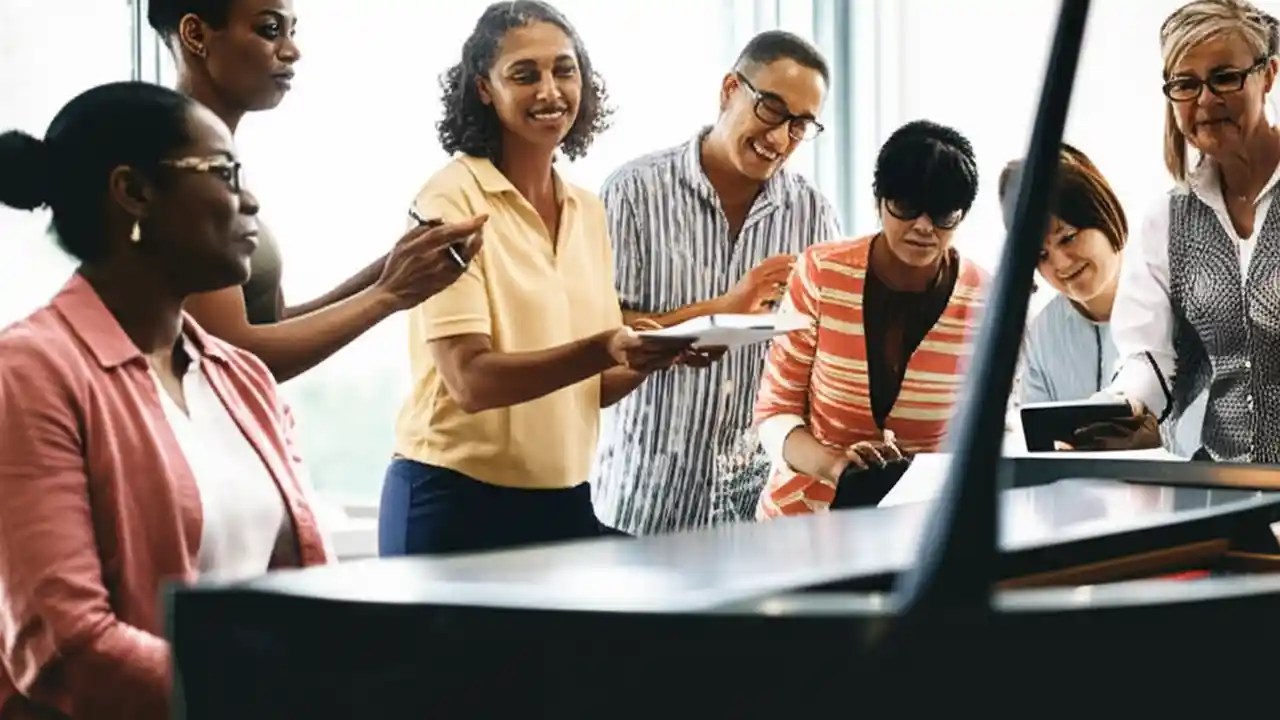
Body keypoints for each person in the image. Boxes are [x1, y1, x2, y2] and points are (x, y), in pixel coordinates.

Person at [0, 81, 354, 719]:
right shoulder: (29, 372)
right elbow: (66, 646)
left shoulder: (241, 378)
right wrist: (263, 691)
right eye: (223, 172)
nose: (250, 198)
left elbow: (305, 590)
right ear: (132, 191)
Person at [378, 0, 720, 556]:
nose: (550, 90)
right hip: (454, 505)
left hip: (563, 502)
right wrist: (606, 346)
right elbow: (470, 382)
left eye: (564, 69)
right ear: (484, 88)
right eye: (524, 74)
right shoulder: (451, 197)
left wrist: (650, 357)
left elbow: (592, 387)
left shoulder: (587, 210)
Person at [148, 0, 485, 381]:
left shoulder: (219, 162)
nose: (292, 50)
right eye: (270, 30)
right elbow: (228, 355)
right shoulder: (180, 169)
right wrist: (390, 293)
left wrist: (390, 270)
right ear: (195, 34)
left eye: (292, 31)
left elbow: (273, 324)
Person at [590, 30, 840, 535]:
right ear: (729, 90)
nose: (779, 139)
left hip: (756, 519)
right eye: (770, 109)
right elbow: (597, 351)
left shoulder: (814, 215)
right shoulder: (633, 194)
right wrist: (725, 308)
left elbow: (819, 362)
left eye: (800, 125)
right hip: (641, 507)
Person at [754, 120, 987, 518]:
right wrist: (835, 464)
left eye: (944, 213)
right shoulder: (822, 271)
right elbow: (775, 413)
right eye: (907, 206)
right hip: (800, 522)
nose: (924, 227)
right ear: (879, 200)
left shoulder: (985, 299)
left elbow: (989, 434)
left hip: (921, 527)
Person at [1098, 0, 1280, 461]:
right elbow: (1147, 356)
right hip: (1226, 491)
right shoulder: (1166, 218)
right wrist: (1126, 409)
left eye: (1225, 77)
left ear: (1269, 75)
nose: (1205, 100)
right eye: (1186, 84)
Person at [1000, 145, 1206, 456]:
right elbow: (1040, 450)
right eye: (1041, 255)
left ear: (1104, 214)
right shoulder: (1041, 335)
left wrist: (1162, 435)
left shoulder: (1185, 301)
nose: (1060, 263)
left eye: (1068, 237)